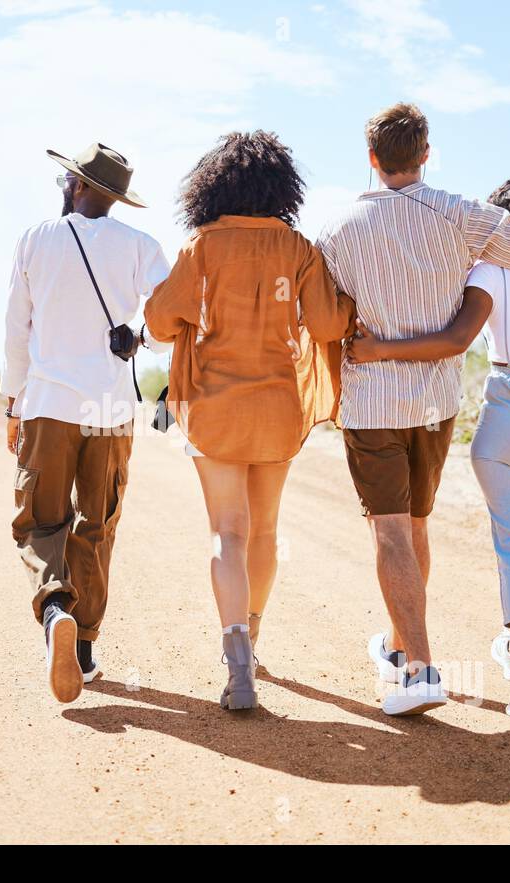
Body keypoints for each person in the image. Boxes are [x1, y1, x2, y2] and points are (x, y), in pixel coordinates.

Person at [317, 103, 510, 716]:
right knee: (414, 528)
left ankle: (419, 670)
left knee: (389, 532)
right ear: (425, 154)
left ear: (371, 159)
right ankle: (398, 645)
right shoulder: (461, 215)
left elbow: (318, 315)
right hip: (437, 404)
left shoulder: (335, 231)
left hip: (371, 400)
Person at [145, 130, 351, 711]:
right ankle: (254, 640)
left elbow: (160, 324)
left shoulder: (199, 248)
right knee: (264, 532)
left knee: (226, 533)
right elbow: (331, 326)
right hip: (279, 411)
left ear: (212, 187)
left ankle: (237, 666)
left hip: (215, 411)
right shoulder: (299, 249)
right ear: (280, 187)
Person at [1, 142, 169, 704]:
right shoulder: (140, 245)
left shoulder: (34, 240)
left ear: (74, 185)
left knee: (41, 522)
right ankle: (87, 649)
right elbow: (174, 316)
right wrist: (139, 335)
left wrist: (12, 404)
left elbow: (15, 332)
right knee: (97, 523)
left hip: (48, 404)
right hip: (110, 412)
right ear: (116, 198)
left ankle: (54, 612)